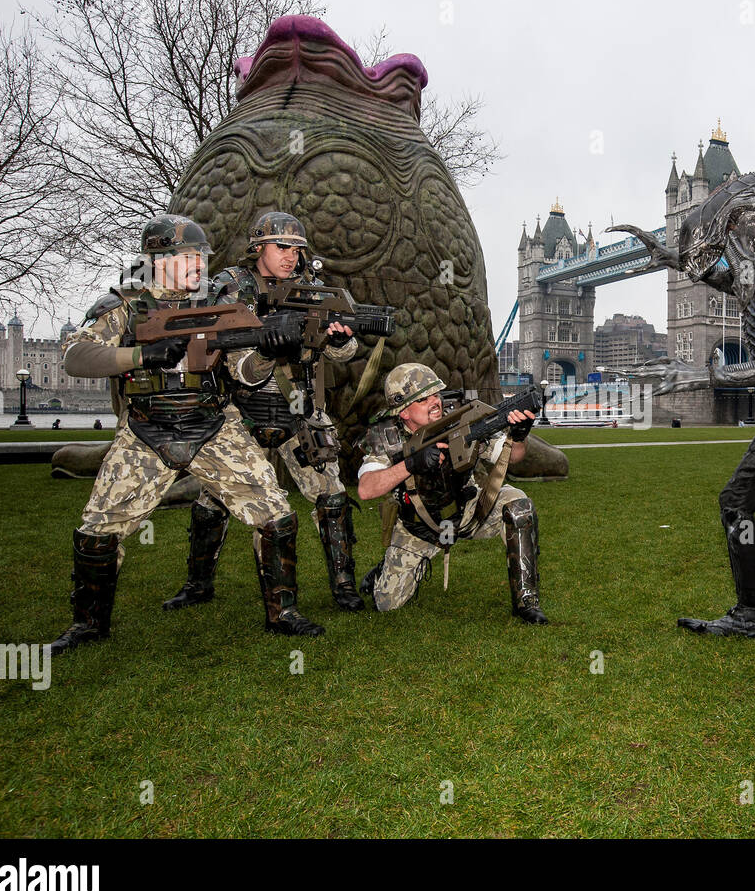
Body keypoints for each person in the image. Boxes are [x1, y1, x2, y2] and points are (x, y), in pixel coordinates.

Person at [43, 213, 324, 655]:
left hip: (213, 424)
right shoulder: (123, 303)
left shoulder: (220, 303)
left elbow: (246, 373)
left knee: (274, 513)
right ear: (157, 259)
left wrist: (271, 351)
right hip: (145, 430)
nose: (199, 263)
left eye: (202, 256)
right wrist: (141, 354)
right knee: (100, 528)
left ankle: (282, 611)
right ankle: (87, 624)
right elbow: (76, 357)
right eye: (188, 256)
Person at [163, 211, 366, 614]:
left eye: (297, 249)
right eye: (281, 247)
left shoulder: (315, 290)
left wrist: (340, 337)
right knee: (213, 499)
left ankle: (344, 586)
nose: (291, 256)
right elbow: (232, 363)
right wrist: (268, 343)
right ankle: (198, 584)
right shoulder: (230, 288)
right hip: (240, 408)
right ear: (258, 248)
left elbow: (346, 353)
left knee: (332, 497)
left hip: (299, 407)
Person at [356, 363, 547, 624]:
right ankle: (382, 571)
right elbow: (367, 489)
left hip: (468, 511)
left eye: (435, 394)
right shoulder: (386, 437)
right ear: (403, 413)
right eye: (423, 399)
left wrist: (520, 435)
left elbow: (513, 456)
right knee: (387, 603)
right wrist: (411, 464)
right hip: (419, 529)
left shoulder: (462, 420)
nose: (434, 402)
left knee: (518, 504)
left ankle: (527, 600)